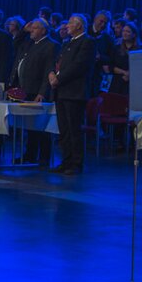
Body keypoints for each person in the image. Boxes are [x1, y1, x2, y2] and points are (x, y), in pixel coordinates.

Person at [50, 13, 96, 176]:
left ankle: (76, 163)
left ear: (79, 26)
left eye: (70, 23)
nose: (66, 26)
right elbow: (58, 62)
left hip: (75, 92)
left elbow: (78, 66)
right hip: (62, 91)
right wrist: (51, 73)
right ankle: (66, 160)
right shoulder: (67, 43)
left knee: (73, 129)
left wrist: (58, 78)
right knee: (64, 130)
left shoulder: (87, 42)